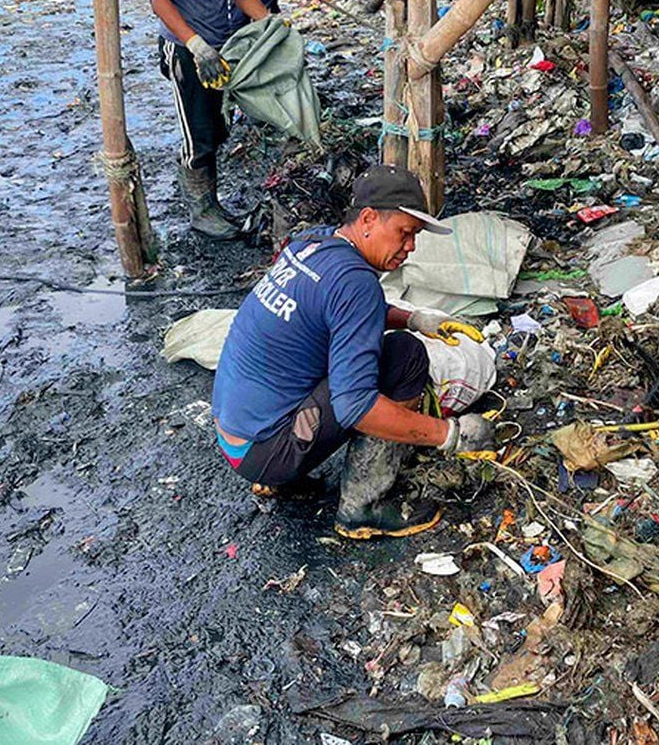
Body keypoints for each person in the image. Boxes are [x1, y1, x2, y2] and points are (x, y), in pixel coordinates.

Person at [211, 165, 497, 539]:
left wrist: (412, 318)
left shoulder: (312, 244)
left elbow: (334, 312)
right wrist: (448, 433)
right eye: (404, 233)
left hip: (234, 436)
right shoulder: (356, 284)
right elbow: (356, 407)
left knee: (370, 349)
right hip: (266, 450)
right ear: (367, 219)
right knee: (404, 359)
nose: (410, 247)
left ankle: (279, 475)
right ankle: (364, 507)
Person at [146, 0, 270, 241]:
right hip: (185, 50)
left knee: (216, 128)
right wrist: (195, 44)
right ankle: (200, 212)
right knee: (196, 132)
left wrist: (269, 22)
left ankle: (212, 203)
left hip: (219, 46)